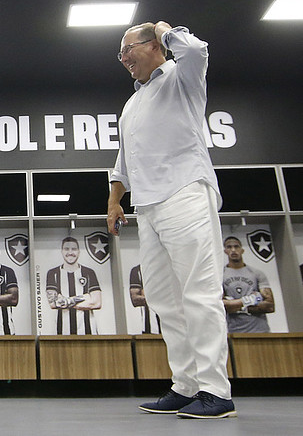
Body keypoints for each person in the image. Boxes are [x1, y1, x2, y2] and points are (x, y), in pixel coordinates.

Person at [107, 21, 235, 418]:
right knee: (164, 298)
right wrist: (115, 199)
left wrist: (164, 28)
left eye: (128, 49)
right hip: (148, 208)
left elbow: (197, 50)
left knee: (199, 292)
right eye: (120, 54)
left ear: (155, 45)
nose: (123, 58)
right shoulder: (131, 104)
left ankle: (216, 390)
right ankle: (186, 385)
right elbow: (124, 160)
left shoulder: (183, 77)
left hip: (185, 194)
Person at [46, 237, 102, 335]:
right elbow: (54, 303)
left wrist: (65, 300)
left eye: (74, 249)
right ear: (62, 251)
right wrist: (85, 297)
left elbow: (97, 303)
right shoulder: (53, 273)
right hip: (62, 333)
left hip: (88, 333)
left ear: (79, 252)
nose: (70, 252)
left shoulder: (89, 272)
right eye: (66, 249)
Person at [222, 236, 274, 333]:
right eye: (229, 247)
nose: (233, 250)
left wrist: (235, 304)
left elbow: (270, 306)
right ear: (225, 251)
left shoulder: (256, 273)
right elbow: (221, 306)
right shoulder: (221, 275)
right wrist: (249, 300)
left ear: (242, 250)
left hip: (260, 330)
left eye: (236, 246)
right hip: (235, 332)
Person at [129, 264, 161, 334]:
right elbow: (135, 299)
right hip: (150, 328)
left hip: (174, 326)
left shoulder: (169, 268)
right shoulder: (137, 270)